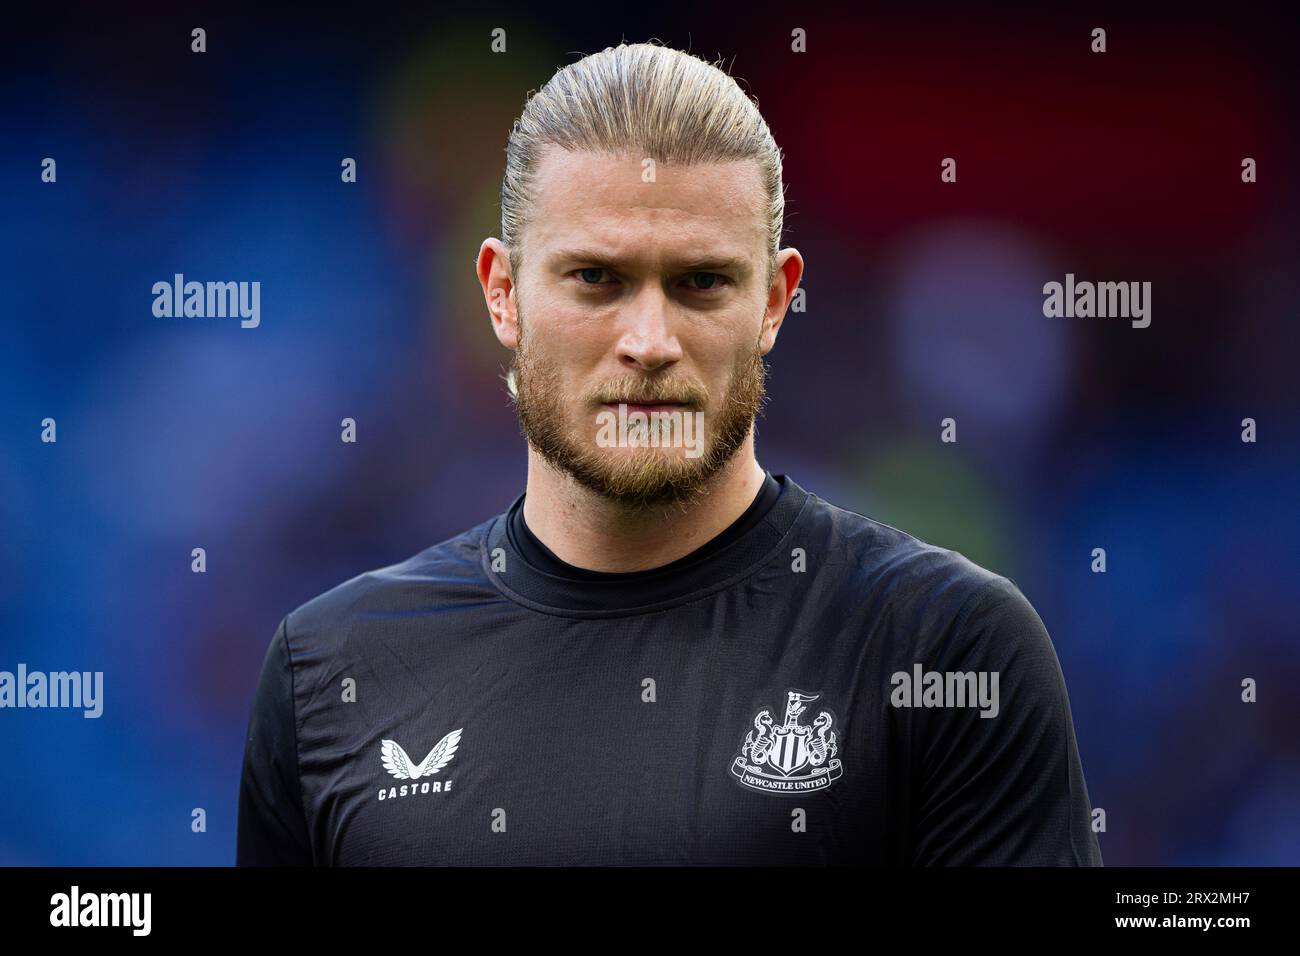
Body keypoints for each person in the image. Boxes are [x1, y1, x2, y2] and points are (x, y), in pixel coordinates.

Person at [237, 41, 1102, 866]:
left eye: (700, 283)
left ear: (774, 301)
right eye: (596, 280)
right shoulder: (328, 670)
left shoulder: (949, 649)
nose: (649, 341)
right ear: (501, 295)